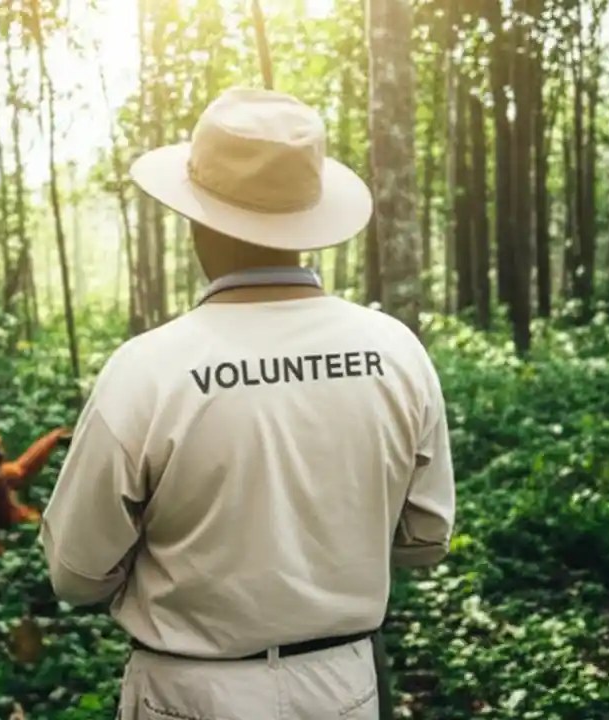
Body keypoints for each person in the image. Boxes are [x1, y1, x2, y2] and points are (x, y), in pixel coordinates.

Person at [39, 87, 455, 719]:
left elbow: (74, 574)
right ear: (306, 225)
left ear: (198, 220)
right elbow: (425, 539)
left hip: (192, 693)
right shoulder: (395, 352)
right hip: (342, 689)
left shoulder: (148, 370)